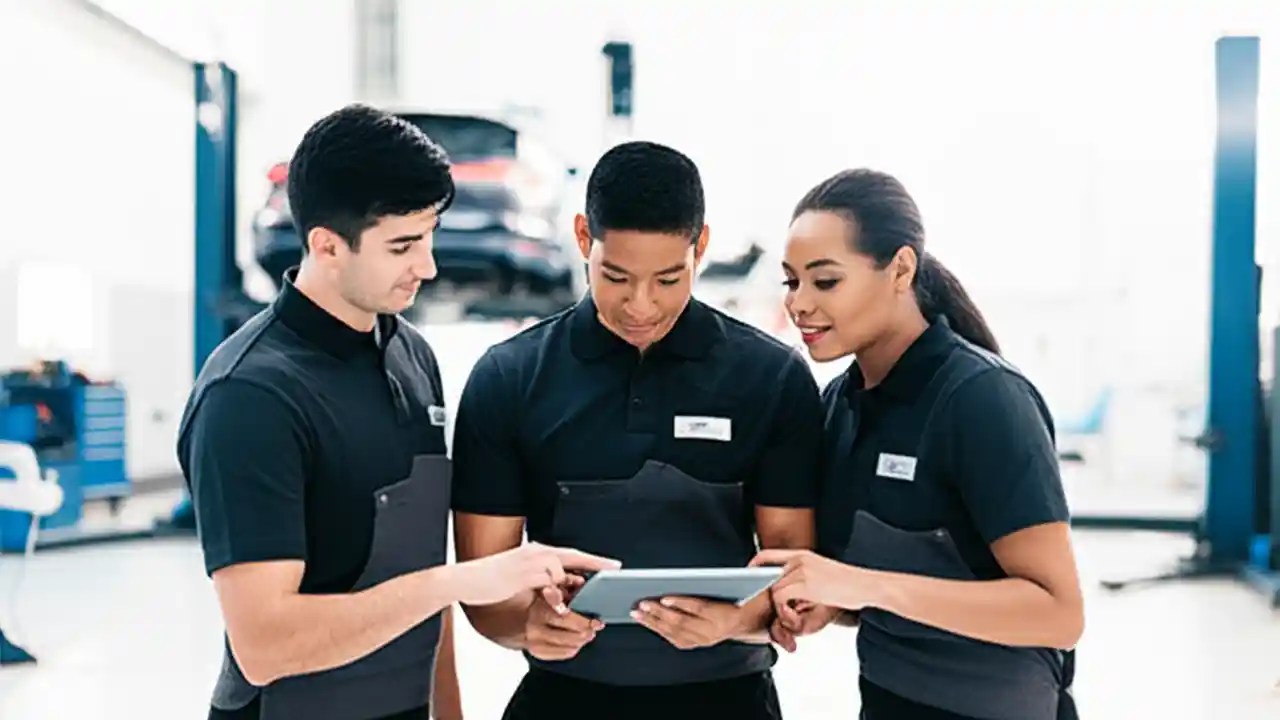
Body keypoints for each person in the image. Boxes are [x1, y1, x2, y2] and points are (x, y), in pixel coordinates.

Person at [176, 104, 619, 720]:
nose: (429, 266)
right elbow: (265, 645)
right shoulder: (249, 396)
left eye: (430, 236)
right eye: (403, 245)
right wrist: (467, 581)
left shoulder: (412, 357)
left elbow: (418, 571)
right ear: (327, 246)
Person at [450, 141, 823, 720]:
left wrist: (737, 620)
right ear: (582, 238)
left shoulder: (771, 377)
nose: (641, 305)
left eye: (669, 279)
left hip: (730, 702)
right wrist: (528, 623)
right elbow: (484, 589)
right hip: (563, 702)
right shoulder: (509, 378)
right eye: (616, 276)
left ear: (700, 246)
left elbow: (795, 579)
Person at [752, 169, 1084, 720]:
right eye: (792, 282)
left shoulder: (983, 400)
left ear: (900, 269)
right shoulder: (840, 404)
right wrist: (830, 602)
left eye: (825, 281)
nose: (800, 304)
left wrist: (861, 586)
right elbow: (880, 589)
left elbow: (1058, 613)